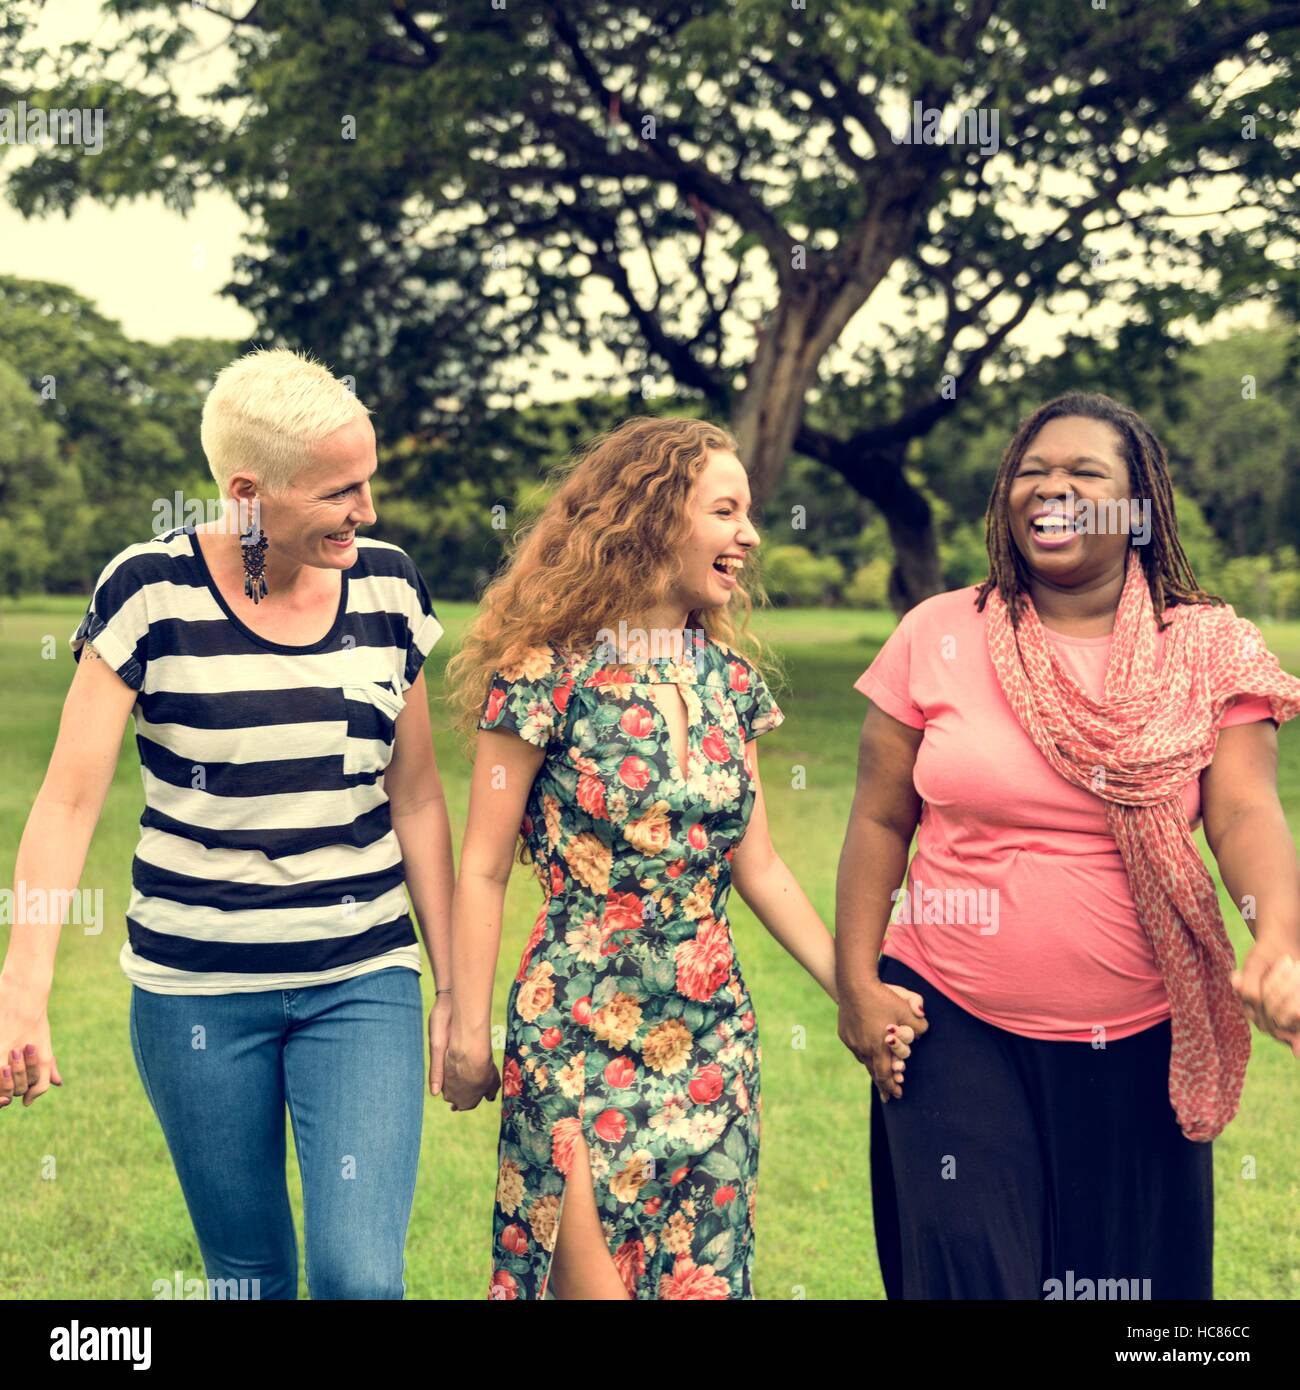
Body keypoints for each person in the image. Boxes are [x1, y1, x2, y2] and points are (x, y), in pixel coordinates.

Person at [0, 348, 453, 1300]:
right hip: (193, 992)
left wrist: (453, 987)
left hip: (358, 977)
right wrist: (23, 987)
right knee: (246, 1275)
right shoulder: (147, 594)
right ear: (248, 493)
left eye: (368, 483)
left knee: (360, 1279)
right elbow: (68, 798)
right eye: (341, 492)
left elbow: (414, 797)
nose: (367, 512)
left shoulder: (390, 588)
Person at [438, 415, 920, 1300]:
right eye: (726, 512)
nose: (751, 535)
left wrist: (854, 988)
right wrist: (470, 1026)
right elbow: (482, 867)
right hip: (576, 1036)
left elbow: (760, 865)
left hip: (713, 1041)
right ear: (656, 518)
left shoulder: (730, 682)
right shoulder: (543, 674)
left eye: (750, 515)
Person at [835, 390, 1300, 1300]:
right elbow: (880, 819)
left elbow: (1245, 814)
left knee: (1132, 1297)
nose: (1051, 488)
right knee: (971, 1269)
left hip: (1141, 1026)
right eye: (1032, 471)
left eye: (1086, 474)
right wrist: (857, 982)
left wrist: (1277, 935)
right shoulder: (939, 632)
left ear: (1140, 509)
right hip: (949, 1010)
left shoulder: (1207, 649)